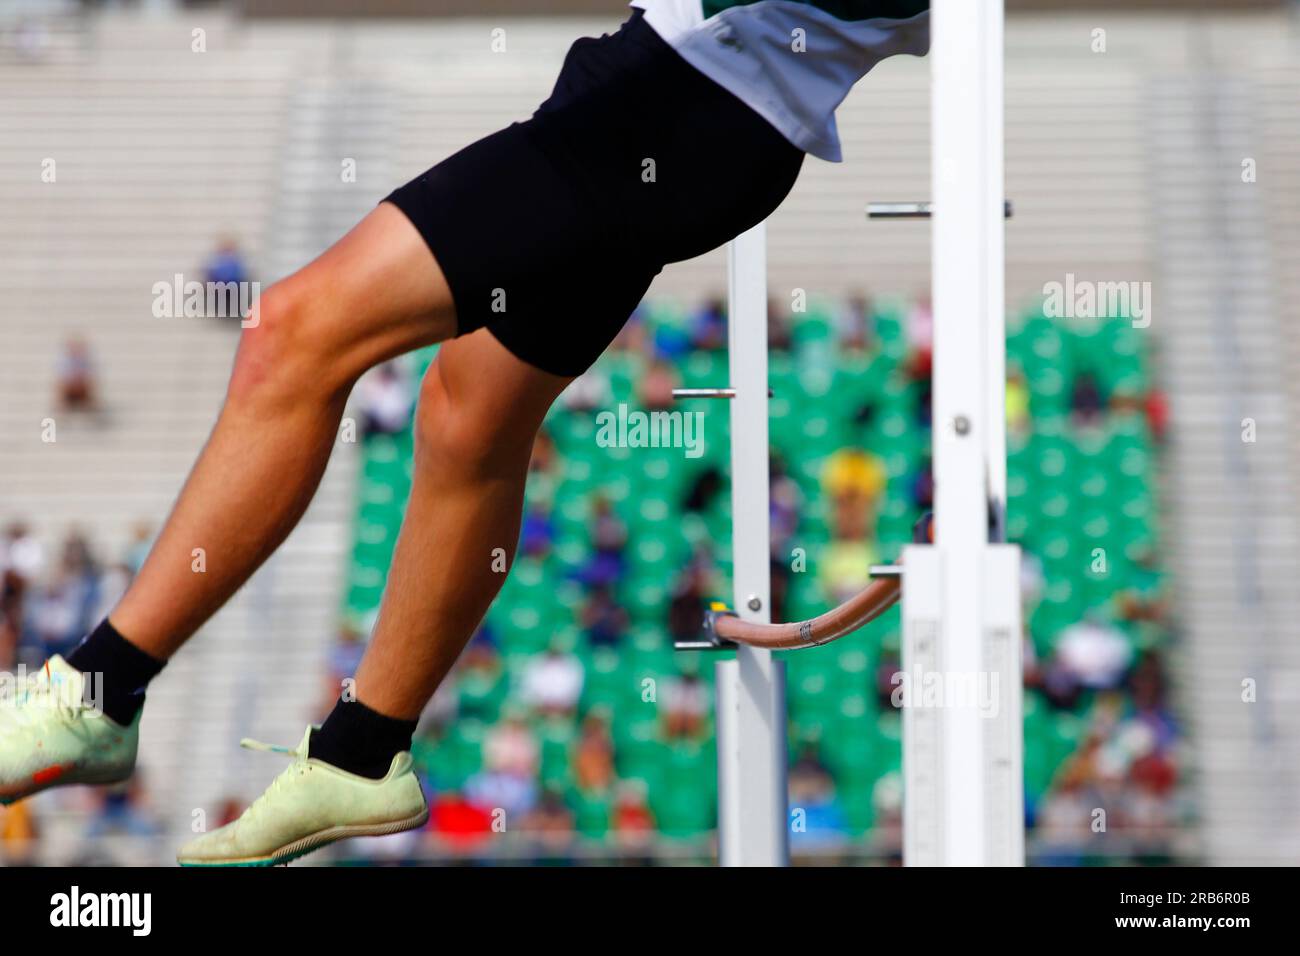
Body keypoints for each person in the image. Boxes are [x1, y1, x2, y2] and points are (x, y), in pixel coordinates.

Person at [0, 1, 931, 865]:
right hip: (677, 95)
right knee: (470, 414)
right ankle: (363, 754)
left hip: (686, 103)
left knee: (293, 333)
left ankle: (100, 690)